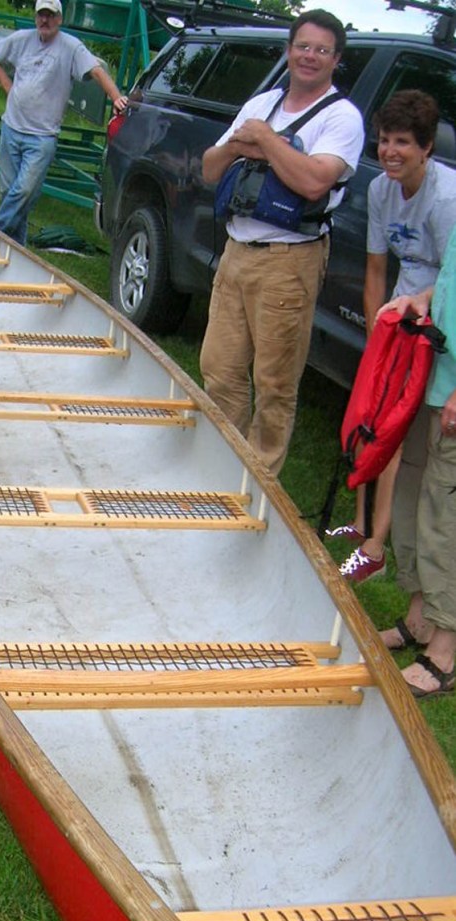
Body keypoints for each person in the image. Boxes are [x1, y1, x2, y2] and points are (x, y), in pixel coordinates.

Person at [199, 9, 364, 476]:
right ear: (289, 50)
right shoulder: (260, 105)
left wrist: (267, 143)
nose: (310, 56)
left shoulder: (341, 118)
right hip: (237, 253)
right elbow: (211, 169)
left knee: (274, 382)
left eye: (322, 50)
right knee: (219, 368)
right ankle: (226, 471)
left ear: (336, 60)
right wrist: (238, 145)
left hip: (289, 260)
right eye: (303, 46)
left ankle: (261, 482)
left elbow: (314, 183)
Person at [331, 90, 456, 582]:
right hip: (394, 315)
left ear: (426, 147)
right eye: (384, 141)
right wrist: (373, 339)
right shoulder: (383, 189)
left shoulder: (446, 199)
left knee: (394, 433)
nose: (390, 151)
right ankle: (361, 523)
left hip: (433, 316)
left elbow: (450, 278)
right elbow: (376, 269)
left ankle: (378, 547)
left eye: (403, 142)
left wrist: (413, 319)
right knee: (369, 414)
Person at [374, 250, 456, 697]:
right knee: (413, 497)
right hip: (434, 377)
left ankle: (444, 655)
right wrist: (424, 298)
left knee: (446, 516)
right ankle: (420, 620)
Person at [0, 0, 128, 247]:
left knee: (24, 192)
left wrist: (116, 97)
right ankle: (15, 252)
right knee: (9, 195)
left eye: (51, 16)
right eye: (41, 15)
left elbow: (96, 71)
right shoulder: (21, 39)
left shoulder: (71, 47)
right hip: (11, 127)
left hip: (42, 137)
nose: (45, 20)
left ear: (60, 19)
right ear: (35, 17)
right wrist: (6, 85)